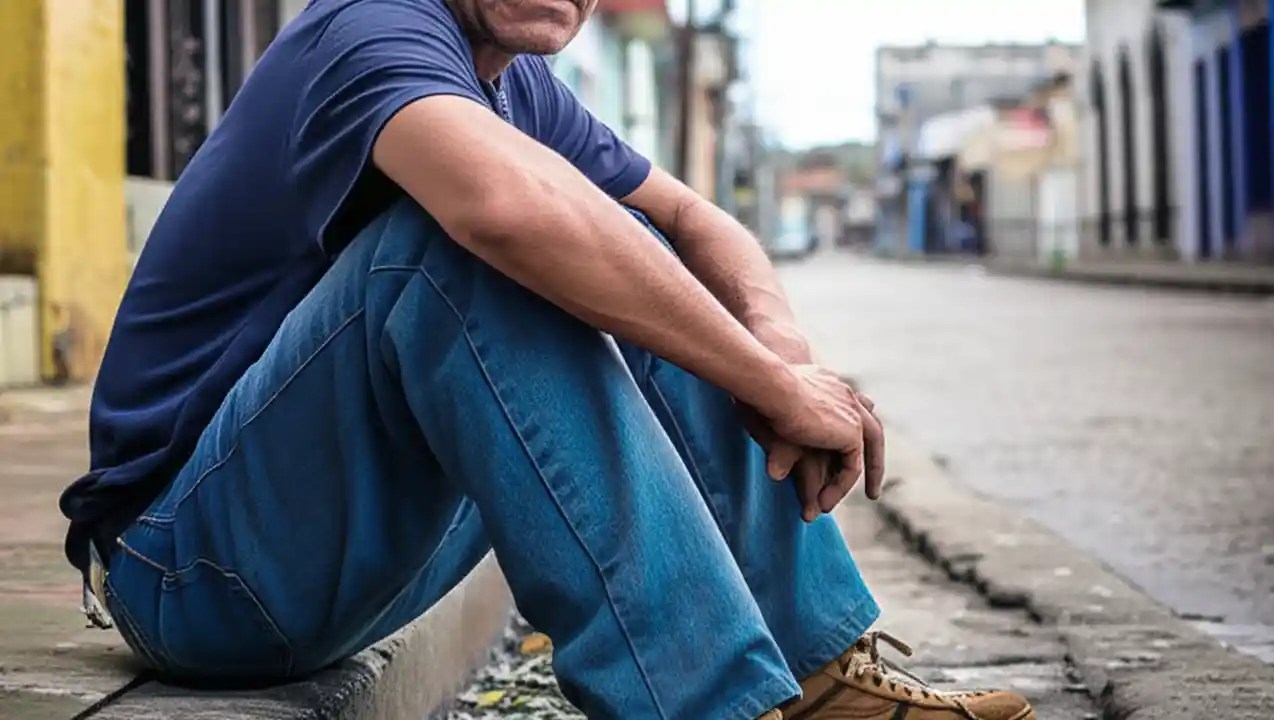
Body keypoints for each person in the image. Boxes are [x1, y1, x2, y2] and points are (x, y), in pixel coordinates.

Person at [61, 1, 1036, 718]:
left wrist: (777, 351)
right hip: (186, 573)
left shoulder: (516, 85)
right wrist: (765, 384)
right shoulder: (369, 29)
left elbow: (693, 218)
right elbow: (501, 210)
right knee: (457, 246)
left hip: (341, 560)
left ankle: (820, 679)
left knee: (631, 246)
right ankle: (706, 706)